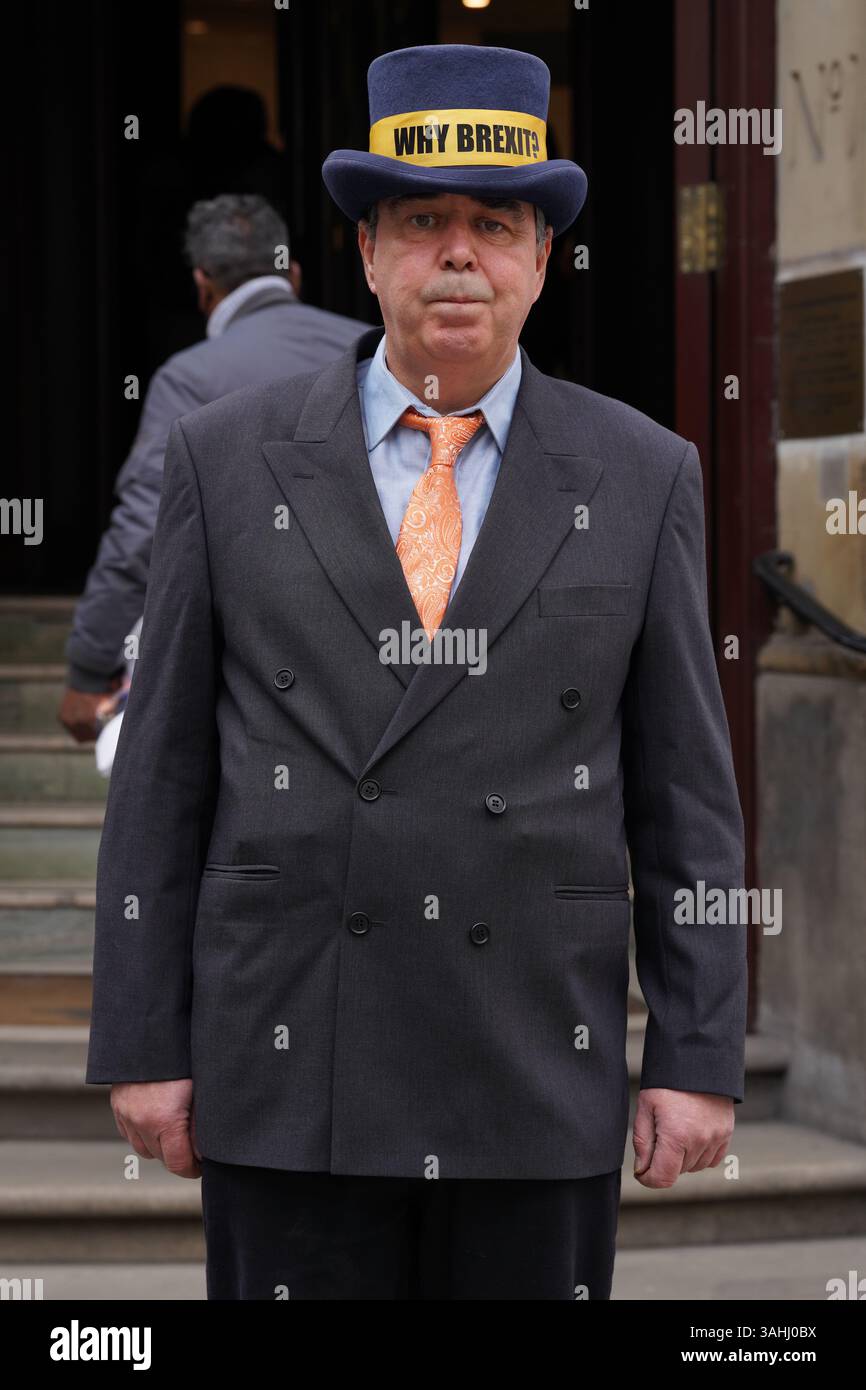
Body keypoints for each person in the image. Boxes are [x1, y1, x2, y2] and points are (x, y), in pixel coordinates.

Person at [85, 44, 748, 1301]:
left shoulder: (640, 470)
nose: (458, 254)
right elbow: (160, 777)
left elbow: (684, 797)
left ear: (542, 260)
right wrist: (141, 1039)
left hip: (528, 1071)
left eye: (494, 223)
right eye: (422, 220)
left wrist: (697, 1048)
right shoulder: (225, 463)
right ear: (367, 252)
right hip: (289, 1066)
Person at [59, 193, 372, 742]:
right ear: (292, 272)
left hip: (257, 671)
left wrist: (89, 665)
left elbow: (141, 531)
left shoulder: (190, 378)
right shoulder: (376, 353)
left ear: (202, 284)